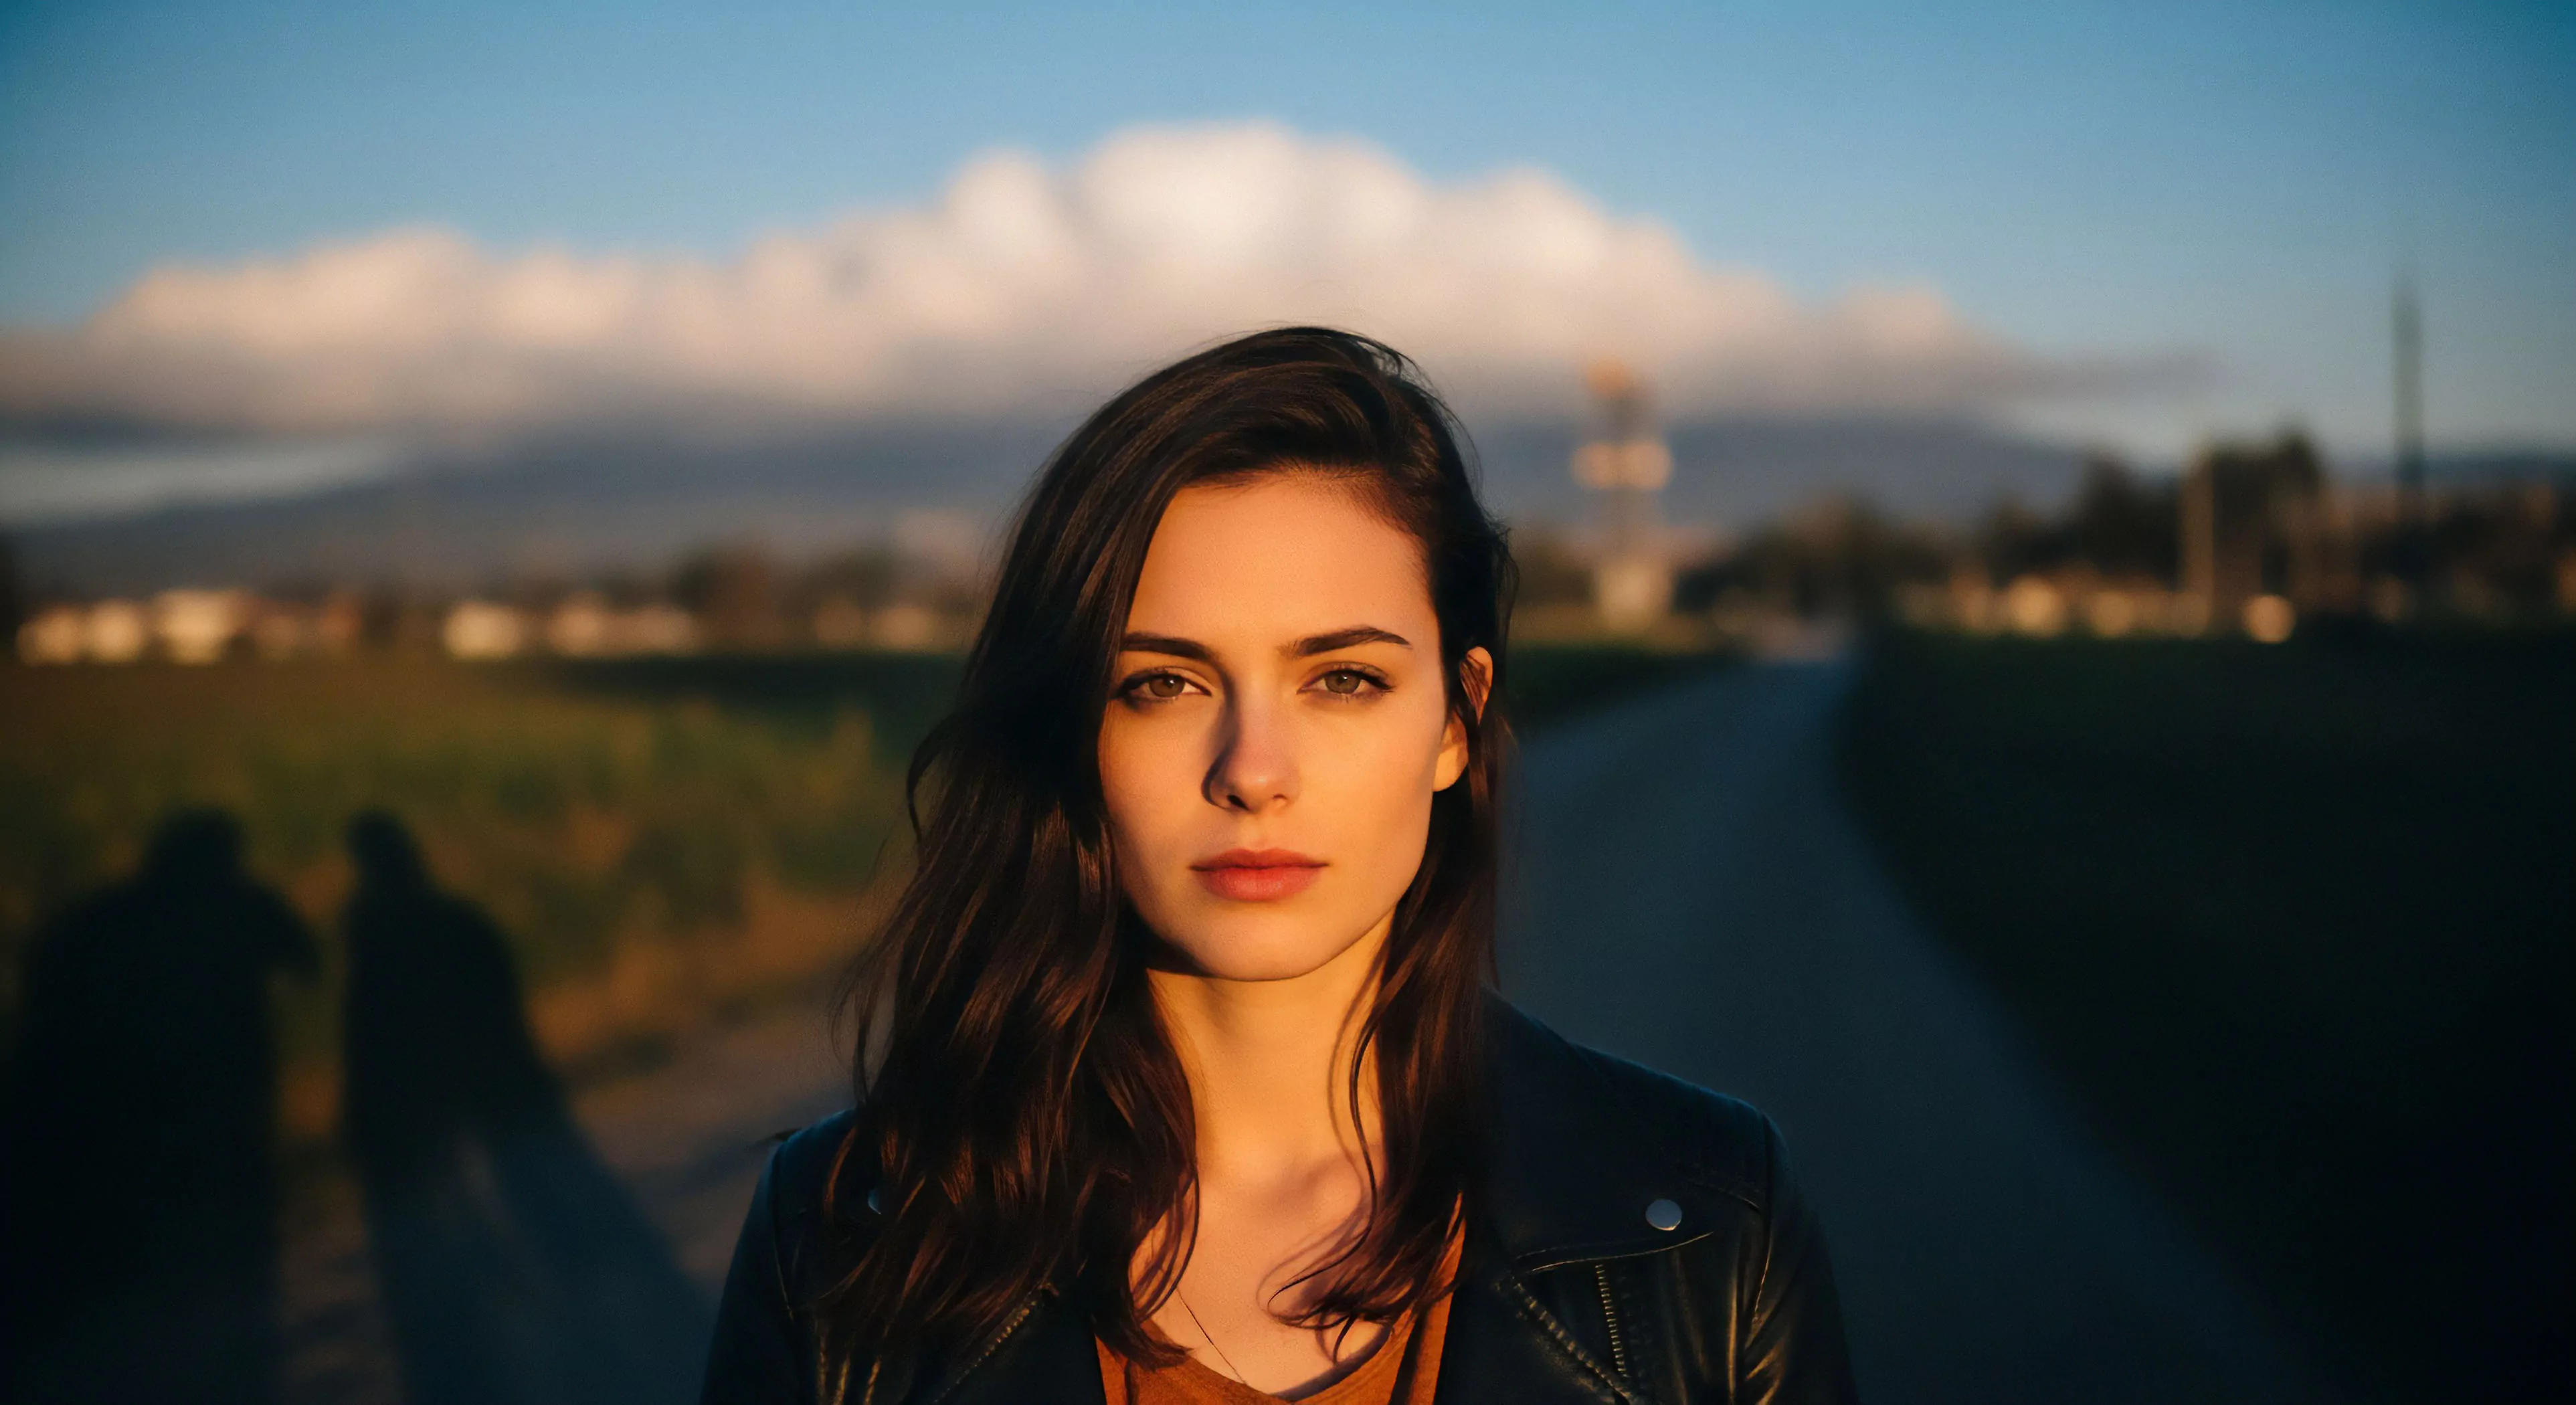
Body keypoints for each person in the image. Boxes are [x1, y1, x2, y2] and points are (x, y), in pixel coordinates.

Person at [700, 329, 1857, 1404]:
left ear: (1457, 721)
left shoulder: (1708, 1221)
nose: (1253, 771)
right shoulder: (843, 1227)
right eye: (1160, 684)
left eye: (1342, 679)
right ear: (1072, 733)